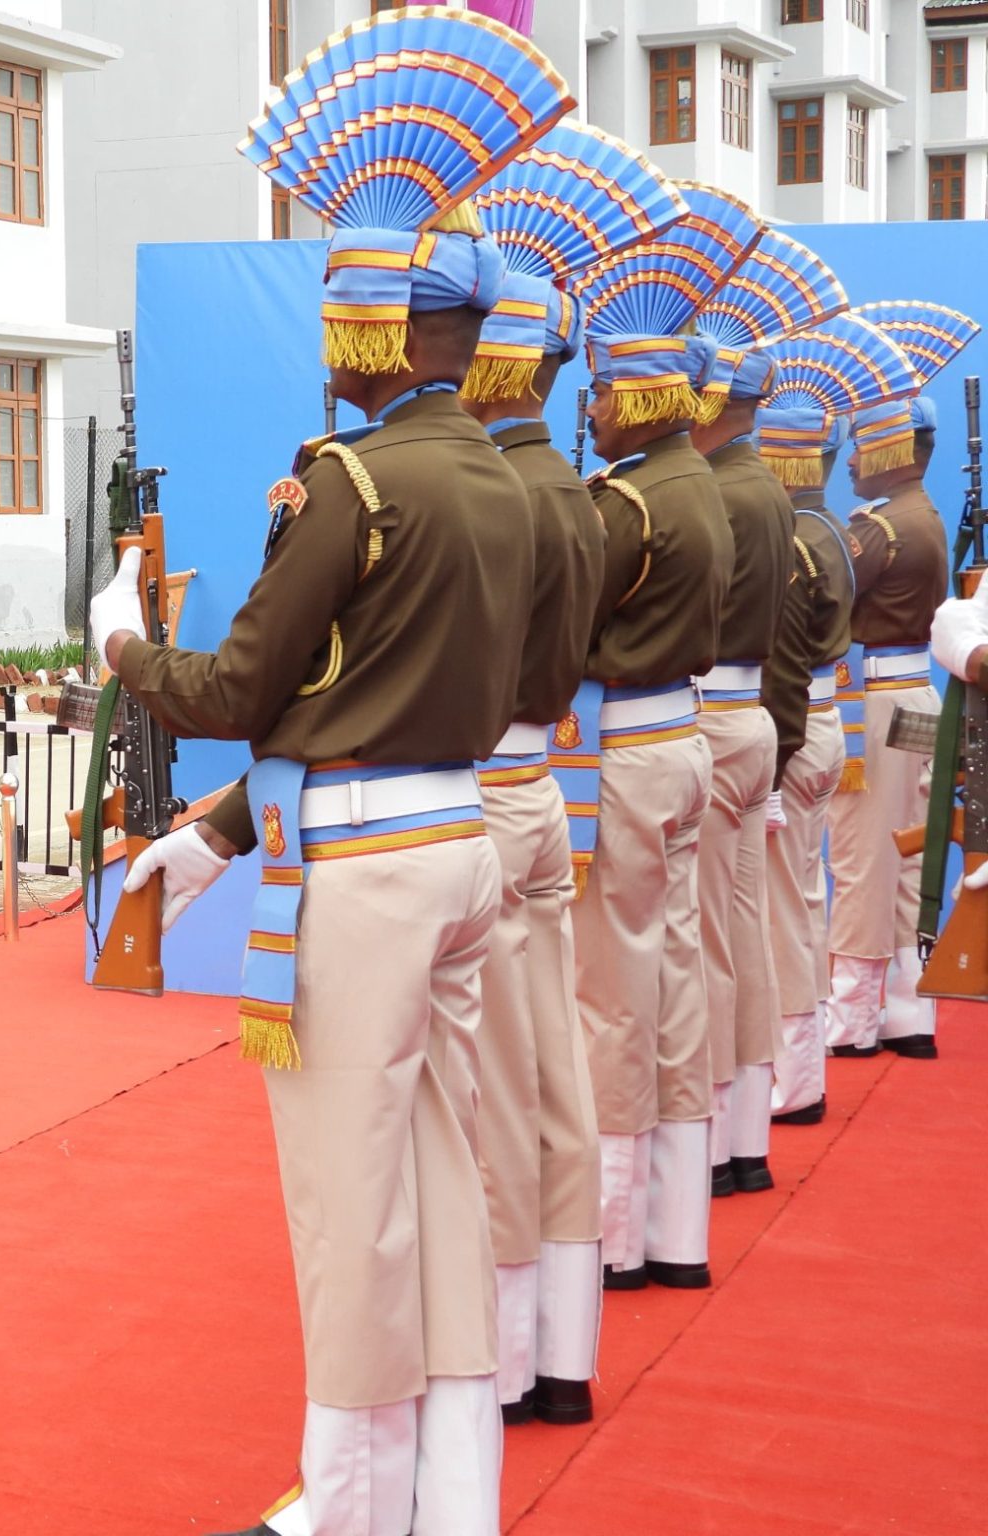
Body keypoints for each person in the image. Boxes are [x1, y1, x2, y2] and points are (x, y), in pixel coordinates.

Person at [101, 15, 562, 1521]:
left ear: (368, 330)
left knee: (350, 1202)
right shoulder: (509, 484)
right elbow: (380, 693)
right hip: (453, 851)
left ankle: (349, 1497)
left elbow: (242, 686)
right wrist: (221, 833)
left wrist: (124, 652)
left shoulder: (359, 482)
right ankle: (452, 1485)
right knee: (442, 1171)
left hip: (360, 877)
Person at [570, 187, 748, 1291]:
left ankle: (614, 1234)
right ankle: (676, 1227)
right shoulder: (694, 486)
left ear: (640, 400)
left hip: (627, 755)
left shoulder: (627, 504)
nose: (587, 413)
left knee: (608, 993)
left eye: (598, 395)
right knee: (673, 977)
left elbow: (562, 628)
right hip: (678, 741)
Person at [457, 264, 608, 1429]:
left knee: (494, 1093)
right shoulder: (580, 493)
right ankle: (560, 1346)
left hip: (482, 791)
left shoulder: (493, 495)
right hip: (538, 786)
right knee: (554, 1069)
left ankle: (507, 1361)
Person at [827, 301, 980, 1060]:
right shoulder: (918, 515)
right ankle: (905, 1012)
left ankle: (852, 1018)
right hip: (912, 696)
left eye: (859, 445)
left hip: (876, 707)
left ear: (893, 447)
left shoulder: (878, 528)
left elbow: (823, 599)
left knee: (861, 859)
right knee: (905, 856)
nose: (850, 460)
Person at [690, 328, 796, 1198]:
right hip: (748, 713)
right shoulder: (763, 485)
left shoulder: (719, 491)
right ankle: (743, 1132)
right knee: (742, 926)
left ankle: (719, 1139)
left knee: (708, 940)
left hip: (710, 716)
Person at [755, 404, 855, 1126]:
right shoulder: (834, 530)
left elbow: (783, 667)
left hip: (794, 731)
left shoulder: (792, 537)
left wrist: (771, 766)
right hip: (823, 722)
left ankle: (795, 1077)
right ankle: (805, 1056)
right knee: (807, 900)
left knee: (783, 909)